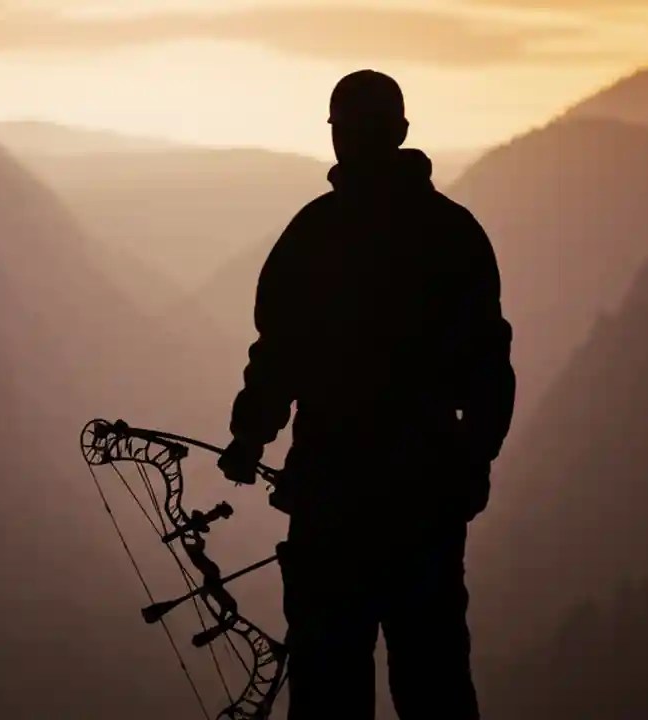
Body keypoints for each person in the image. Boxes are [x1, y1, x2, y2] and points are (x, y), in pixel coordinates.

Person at [218, 70, 516, 720]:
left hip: (331, 501)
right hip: (425, 503)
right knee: (434, 687)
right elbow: (488, 368)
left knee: (329, 693)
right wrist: (472, 463)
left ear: (339, 137)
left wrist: (249, 437)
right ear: (401, 132)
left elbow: (278, 354)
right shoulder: (452, 233)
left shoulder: (315, 233)